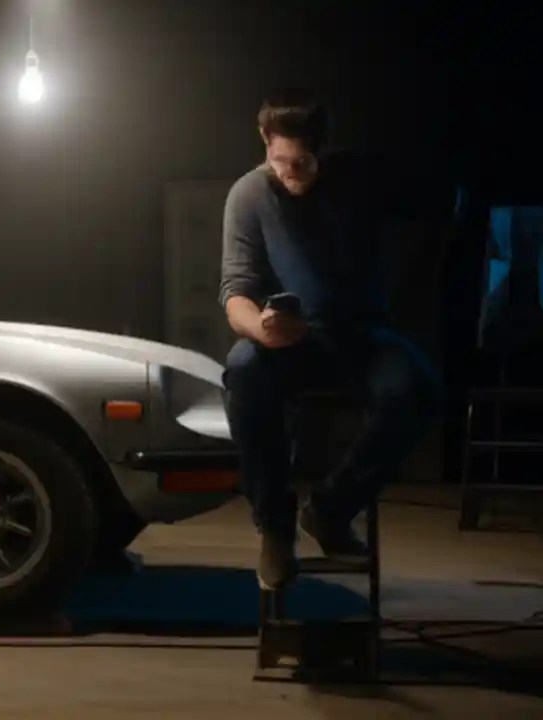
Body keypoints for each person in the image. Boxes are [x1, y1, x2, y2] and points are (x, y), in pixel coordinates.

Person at [218, 88, 442, 590]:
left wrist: (405, 285)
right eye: (279, 161)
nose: (290, 173)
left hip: (363, 334)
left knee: (418, 388)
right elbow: (235, 291)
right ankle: (275, 528)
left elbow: (436, 206)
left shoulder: (361, 178)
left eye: (302, 162)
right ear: (263, 142)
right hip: (292, 340)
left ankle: (331, 510)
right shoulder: (249, 195)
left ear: (324, 150)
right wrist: (262, 328)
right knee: (244, 372)